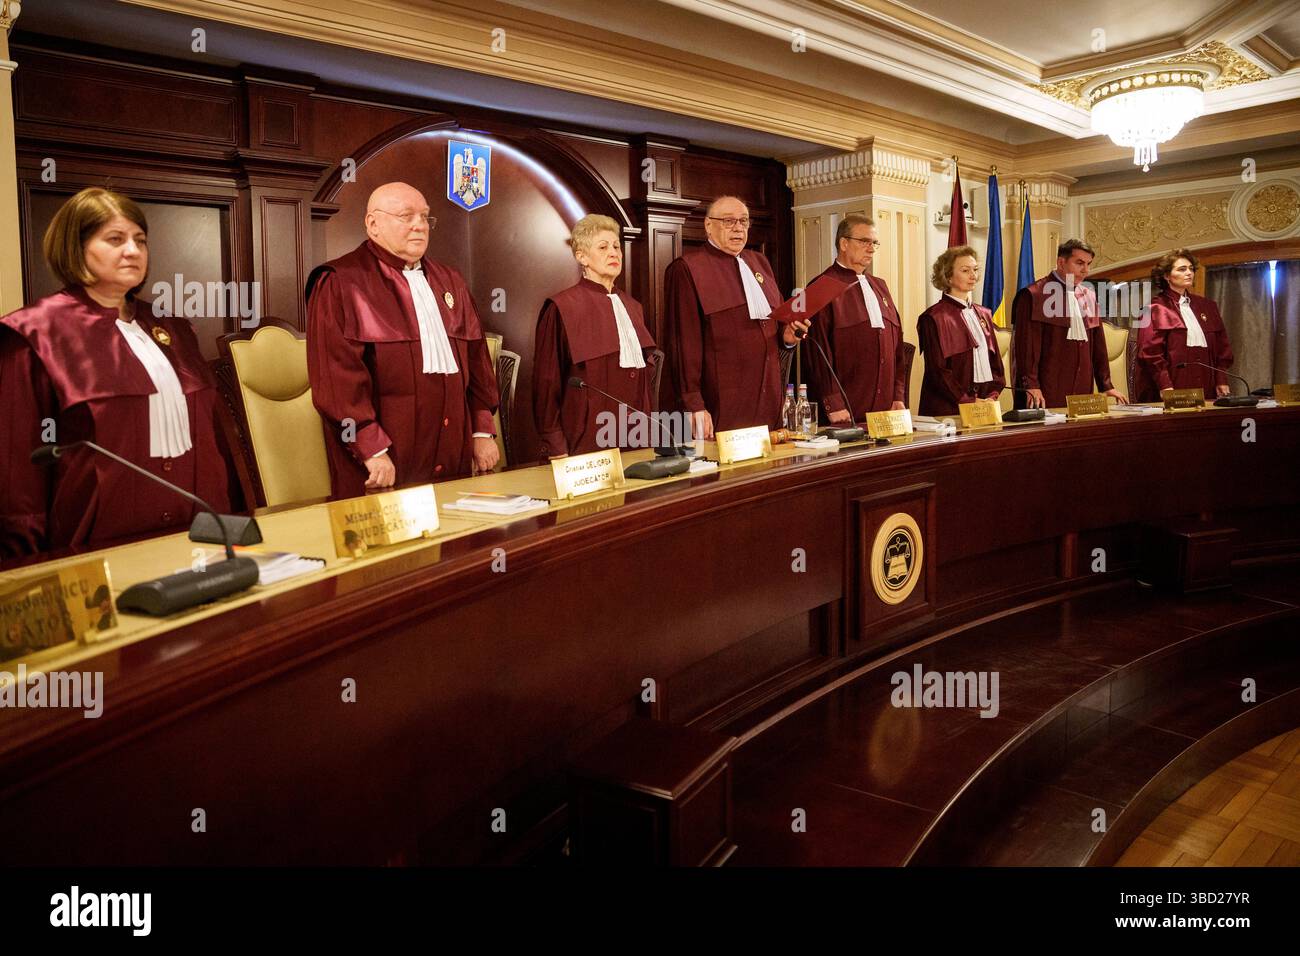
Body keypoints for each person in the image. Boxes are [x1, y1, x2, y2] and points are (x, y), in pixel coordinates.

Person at [0, 187, 241, 560]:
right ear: (75, 247)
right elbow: (19, 482)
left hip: (195, 539)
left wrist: (226, 531)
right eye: (115, 239)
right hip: (92, 552)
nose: (133, 251)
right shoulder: (35, 333)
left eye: (140, 240)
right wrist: (23, 567)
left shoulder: (174, 328)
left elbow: (208, 445)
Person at [306, 182, 500, 498]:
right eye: (406, 216)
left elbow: (478, 362)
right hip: (384, 458)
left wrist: (481, 430)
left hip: (455, 452)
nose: (419, 226)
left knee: (458, 540)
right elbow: (336, 381)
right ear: (373, 224)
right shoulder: (340, 281)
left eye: (425, 217)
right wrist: (370, 448)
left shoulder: (450, 280)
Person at [662, 195, 807, 439]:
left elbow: (777, 330)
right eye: (729, 221)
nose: (738, 228)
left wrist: (788, 337)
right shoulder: (687, 268)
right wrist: (693, 403)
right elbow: (683, 342)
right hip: (722, 401)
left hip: (768, 396)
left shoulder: (759, 262)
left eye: (743, 221)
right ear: (708, 225)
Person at [532, 214, 657, 458]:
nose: (614, 253)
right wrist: (554, 443)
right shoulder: (561, 307)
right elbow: (547, 383)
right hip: (586, 440)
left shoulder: (633, 306)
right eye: (603, 247)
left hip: (637, 437)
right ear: (582, 256)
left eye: (616, 246)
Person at [806, 215, 907, 421]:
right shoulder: (820, 286)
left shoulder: (880, 286)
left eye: (874, 243)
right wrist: (833, 402)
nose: (871, 249)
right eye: (864, 242)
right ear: (843, 243)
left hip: (886, 409)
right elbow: (817, 355)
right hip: (845, 408)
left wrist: (898, 395)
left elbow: (897, 347)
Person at [1013, 239, 1127, 408]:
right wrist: (1031, 386)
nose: (1085, 270)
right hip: (1047, 388)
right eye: (1079, 263)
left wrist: (1106, 385)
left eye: (1088, 264)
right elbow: (1026, 347)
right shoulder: (1033, 295)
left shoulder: (1089, 295)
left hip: (1082, 391)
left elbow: (1098, 347)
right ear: (1061, 262)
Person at [1135, 248, 1234, 401]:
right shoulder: (1154, 309)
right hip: (1173, 381)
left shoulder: (1208, 306)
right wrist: (1165, 385)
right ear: (1167, 276)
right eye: (1182, 269)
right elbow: (1150, 354)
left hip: (1206, 379)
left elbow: (1223, 347)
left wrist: (1221, 379)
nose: (1189, 273)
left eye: (1191, 269)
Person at [917, 245, 1004, 416]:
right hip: (946, 409)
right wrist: (967, 401)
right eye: (965, 270)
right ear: (948, 276)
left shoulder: (984, 314)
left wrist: (992, 396)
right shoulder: (933, 317)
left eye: (975, 270)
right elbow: (937, 372)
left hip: (984, 406)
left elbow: (996, 364)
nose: (973, 275)